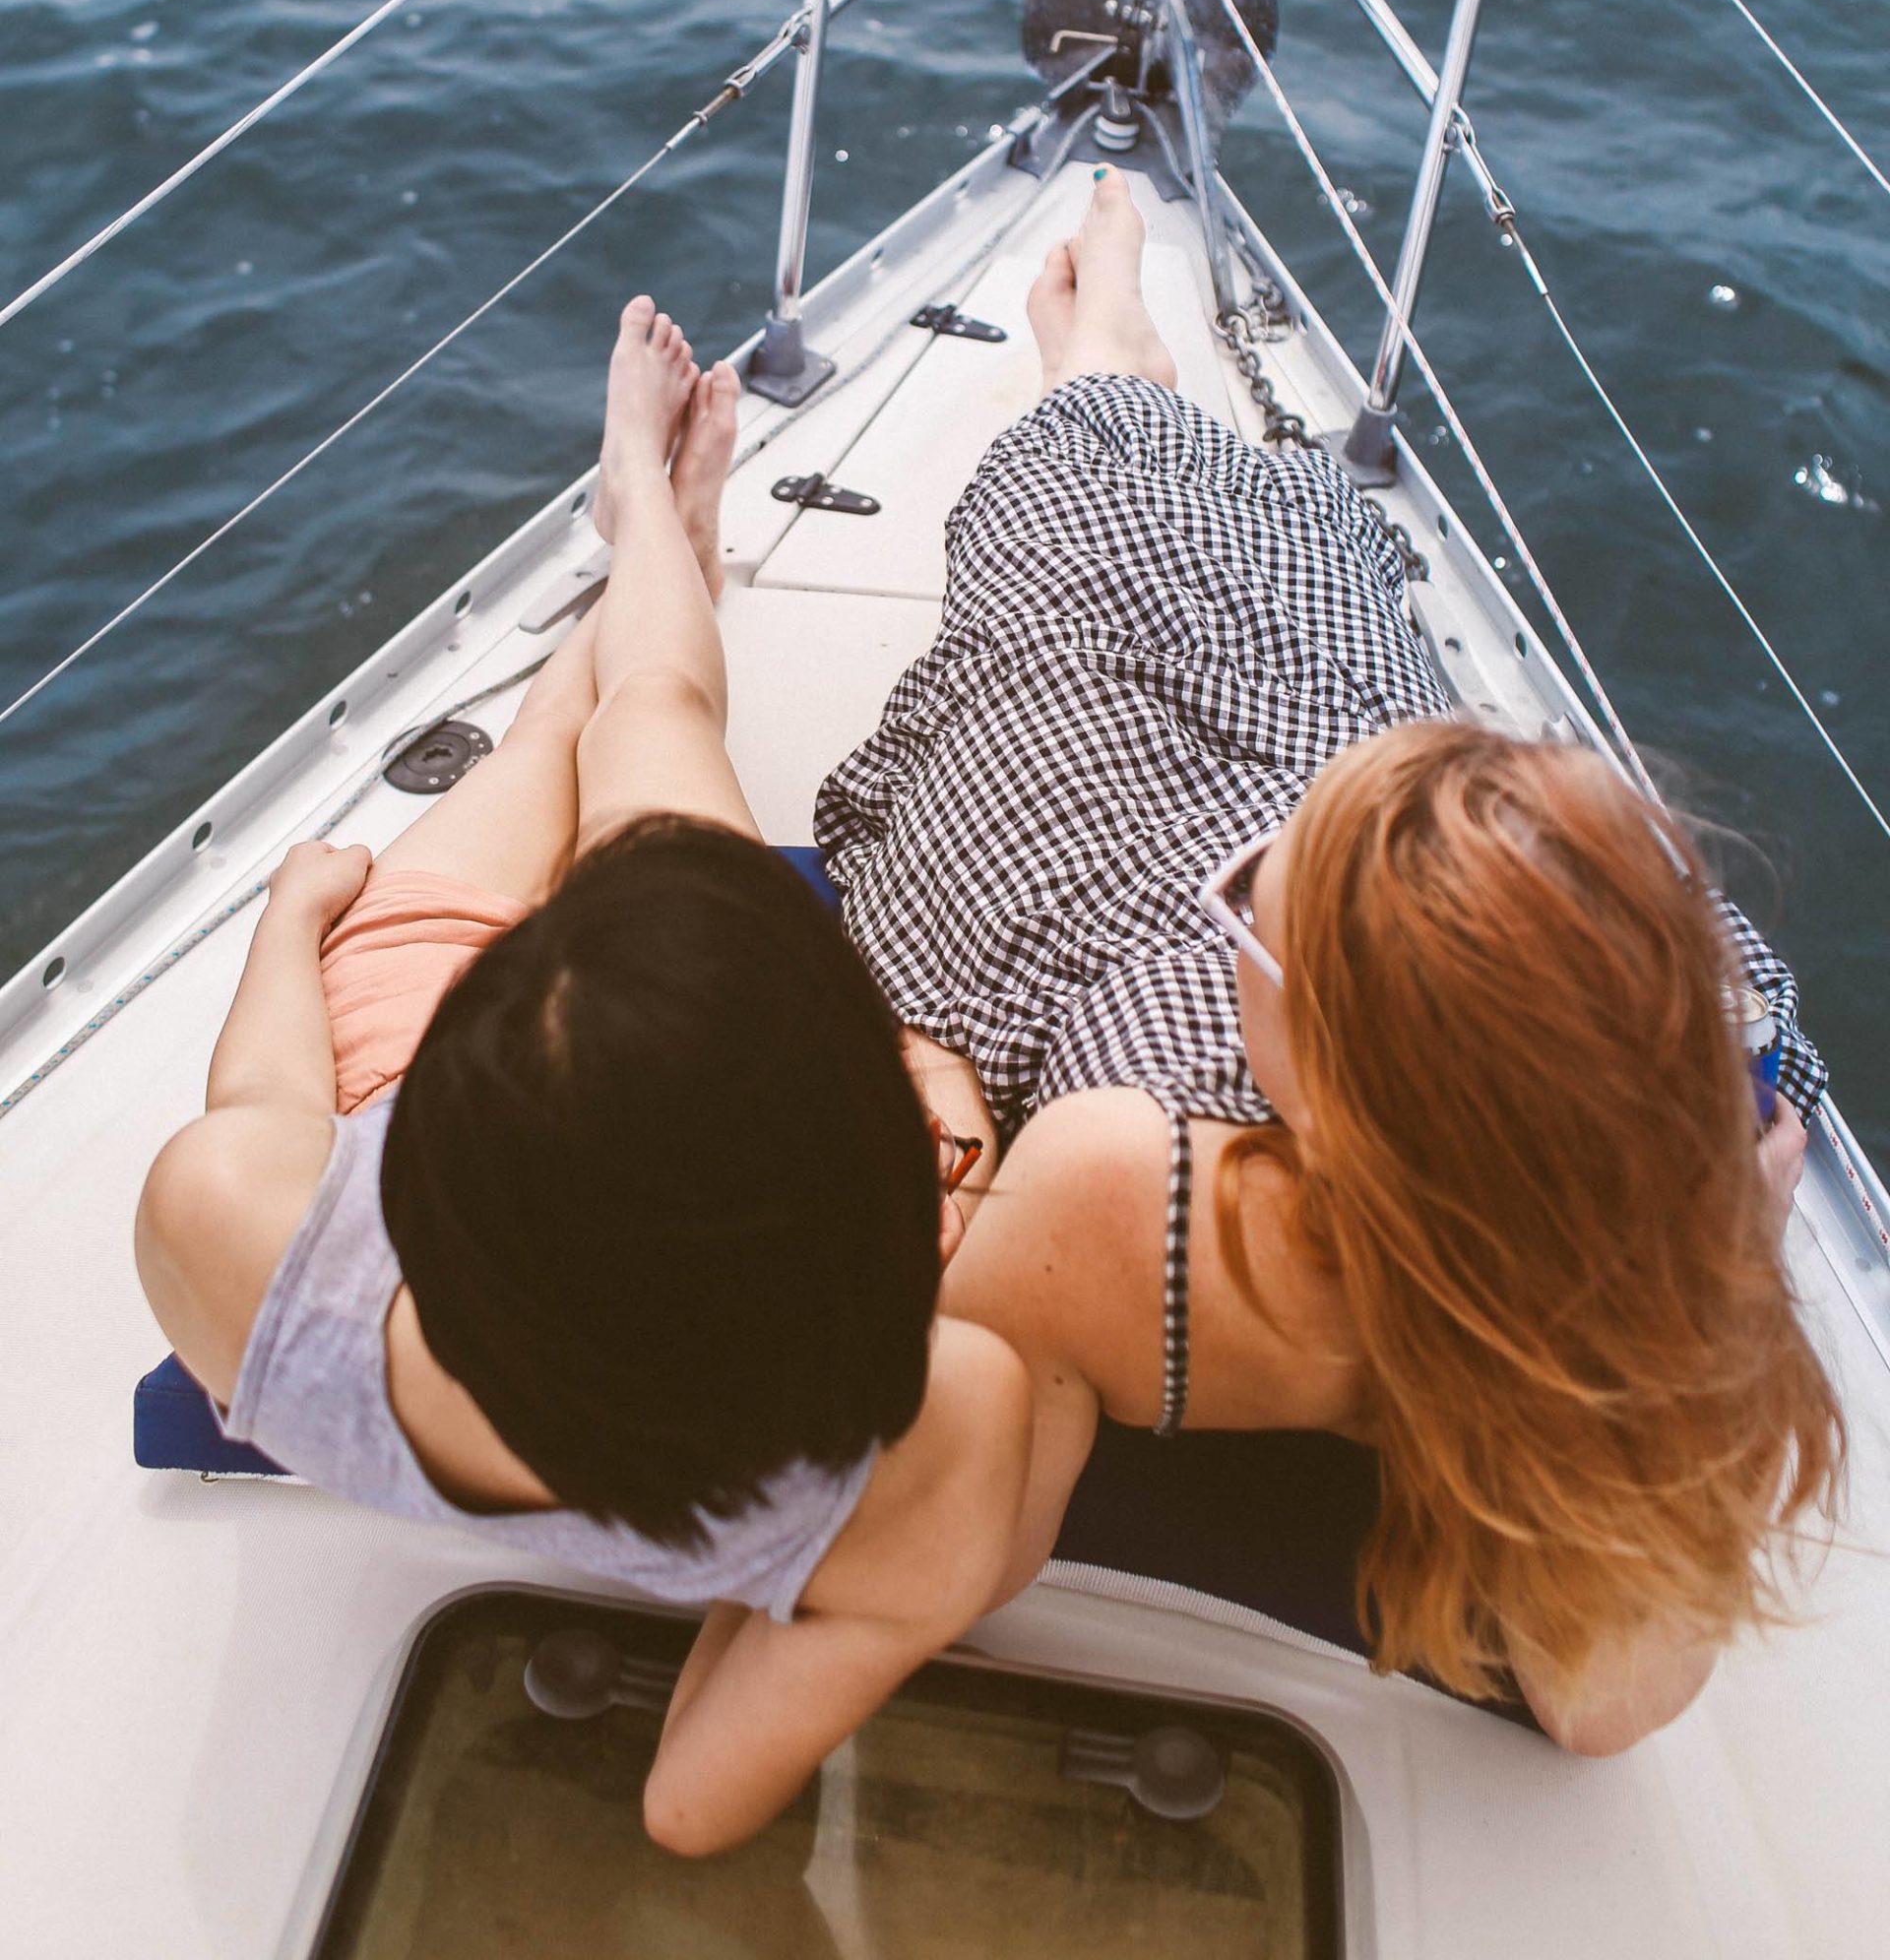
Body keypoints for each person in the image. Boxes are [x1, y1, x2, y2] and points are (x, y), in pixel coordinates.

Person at [817, 169, 1844, 1752]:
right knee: (1311, 625)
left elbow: (934, 1414)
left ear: (1354, 1104)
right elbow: (1603, 1696)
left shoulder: (1142, 1187)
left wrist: (925, 1074)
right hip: (1369, 776)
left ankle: (1101, 372)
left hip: (1109, 873)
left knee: (1059, 582)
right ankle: (1110, 350)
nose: (1232, 885)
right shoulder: (1693, 1046)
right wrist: (1714, 1276)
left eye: (1249, 905)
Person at [136, 298, 1030, 1859]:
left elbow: (270, 1108)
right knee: (653, 719)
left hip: (426, 1050)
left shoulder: (228, 1231)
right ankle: (659, 544)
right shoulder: (944, 1442)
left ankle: (642, 525)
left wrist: (293, 919)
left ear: (417, 1192)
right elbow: (690, 1810)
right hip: (587, 1105)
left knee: (560, 732)